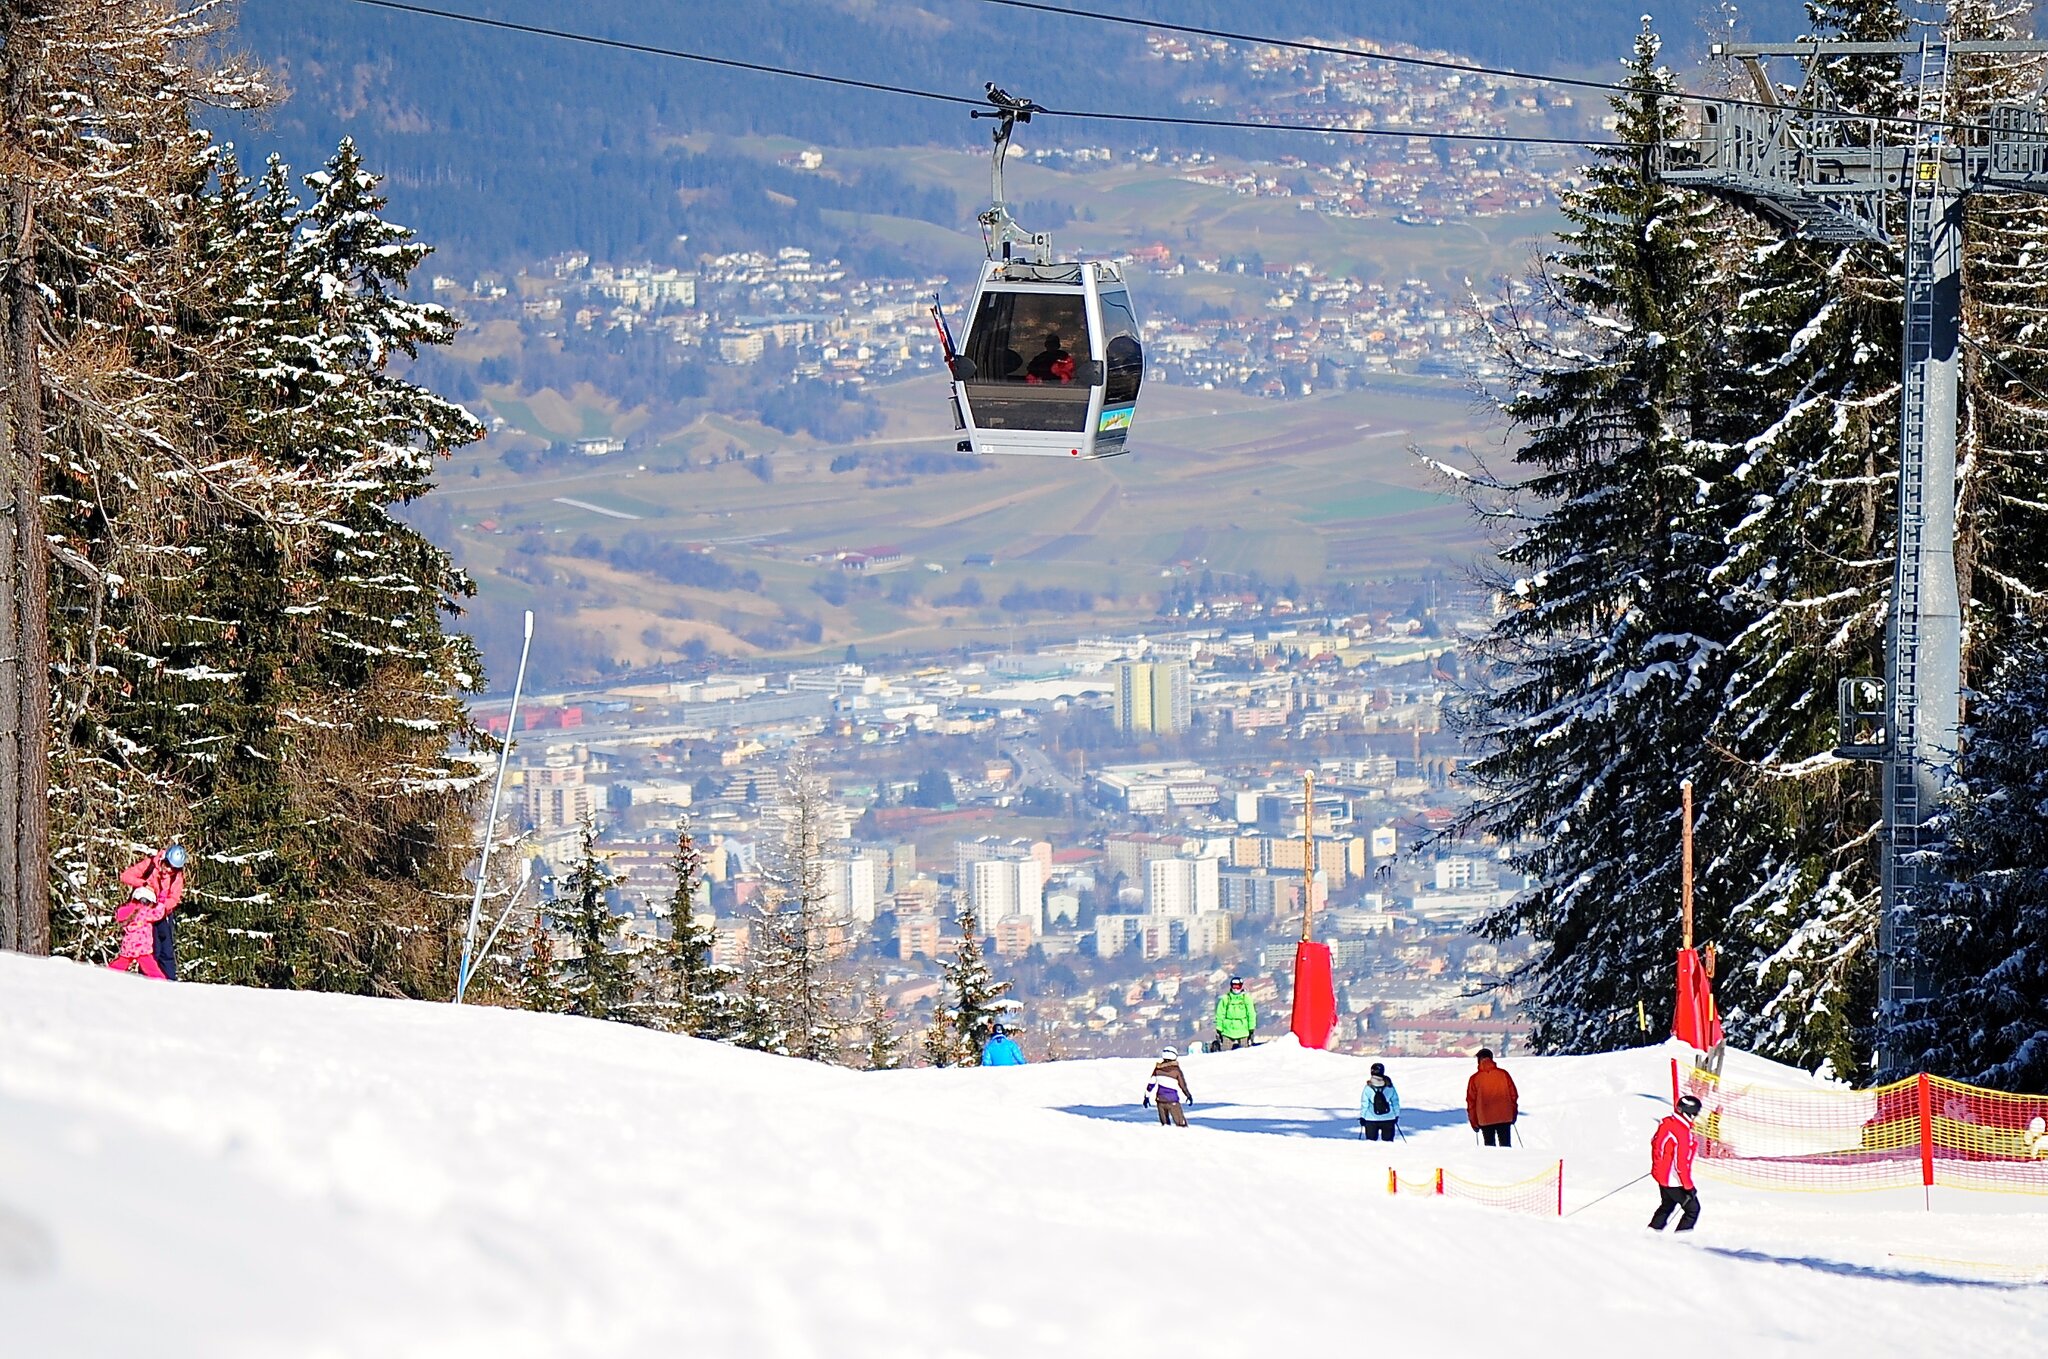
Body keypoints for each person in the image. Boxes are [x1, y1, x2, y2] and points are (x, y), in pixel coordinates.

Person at [120, 844, 188, 982]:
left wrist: (161, 907)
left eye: (174, 868)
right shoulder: (150, 864)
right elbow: (125, 876)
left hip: (162, 914)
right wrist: (144, 884)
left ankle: (169, 981)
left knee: (166, 951)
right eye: (167, 865)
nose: (169, 870)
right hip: (144, 912)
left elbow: (174, 898)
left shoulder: (177, 877)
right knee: (150, 950)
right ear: (163, 859)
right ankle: (146, 980)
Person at [1650, 1094, 1704, 1232]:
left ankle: (1651, 1233)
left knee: (1667, 1205)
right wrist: (1689, 1187)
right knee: (1692, 1209)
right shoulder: (1682, 1132)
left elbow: (1657, 1145)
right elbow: (1681, 1164)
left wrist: (1659, 1166)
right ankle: (1681, 1240)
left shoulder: (1668, 1123)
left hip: (1662, 1175)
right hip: (1672, 1179)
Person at [107, 886, 170, 979]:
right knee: (150, 967)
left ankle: (107, 974)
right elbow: (158, 914)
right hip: (142, 947)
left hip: (129, 946)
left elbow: (120, 914)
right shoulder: (144, 912)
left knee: (121, 962)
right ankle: (160, 980)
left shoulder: (130, 910)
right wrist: (161, 901)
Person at [1465, 1047, 1519, 1147]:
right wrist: (1513, 1114)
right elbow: (1513, 1096)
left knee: (1490, 1149)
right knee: (1506, 1147)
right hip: (1504, 1116)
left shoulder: (1474, 1079)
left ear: (1479, 1060)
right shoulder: (1503, 1074)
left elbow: (1471, 1102)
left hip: (1485, 1119)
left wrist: (1474, 1122)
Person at [1144, 1047, 1194, 1127]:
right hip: (1172, 1101)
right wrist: (1188, 1096)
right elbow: (1182, 1085)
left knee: (1165, 1126)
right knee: (1182, 1126)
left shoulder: (1158, 1069)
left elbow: (1151, 1084)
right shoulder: (1176, 1070)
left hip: (1160, 1100)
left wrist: (1146, 1097)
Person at [1359, 1061, 1401, 1141]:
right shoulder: (1389, 1086)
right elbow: (1395, 1101)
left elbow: (1365, 1104)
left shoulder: (1368, 1087)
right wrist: (1396, 1115)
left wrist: (1362, 1117)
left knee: (1371, 1144)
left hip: (1371, 1119)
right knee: (1388, 1144)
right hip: (1389, 1118)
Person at [1213, 975, 1256, 1051]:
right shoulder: (1226, 999)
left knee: (1245, 1052)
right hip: (1228, 1030)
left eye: (1238, 986)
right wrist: (1219, 1028)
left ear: (1241, 986)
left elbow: (1251, 1014)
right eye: (1234, 986)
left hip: (1243, 1030)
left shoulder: (1246, 998)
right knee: (1225, 1052)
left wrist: (1251, 1028)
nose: (1236, 989)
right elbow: (1220, 1014)